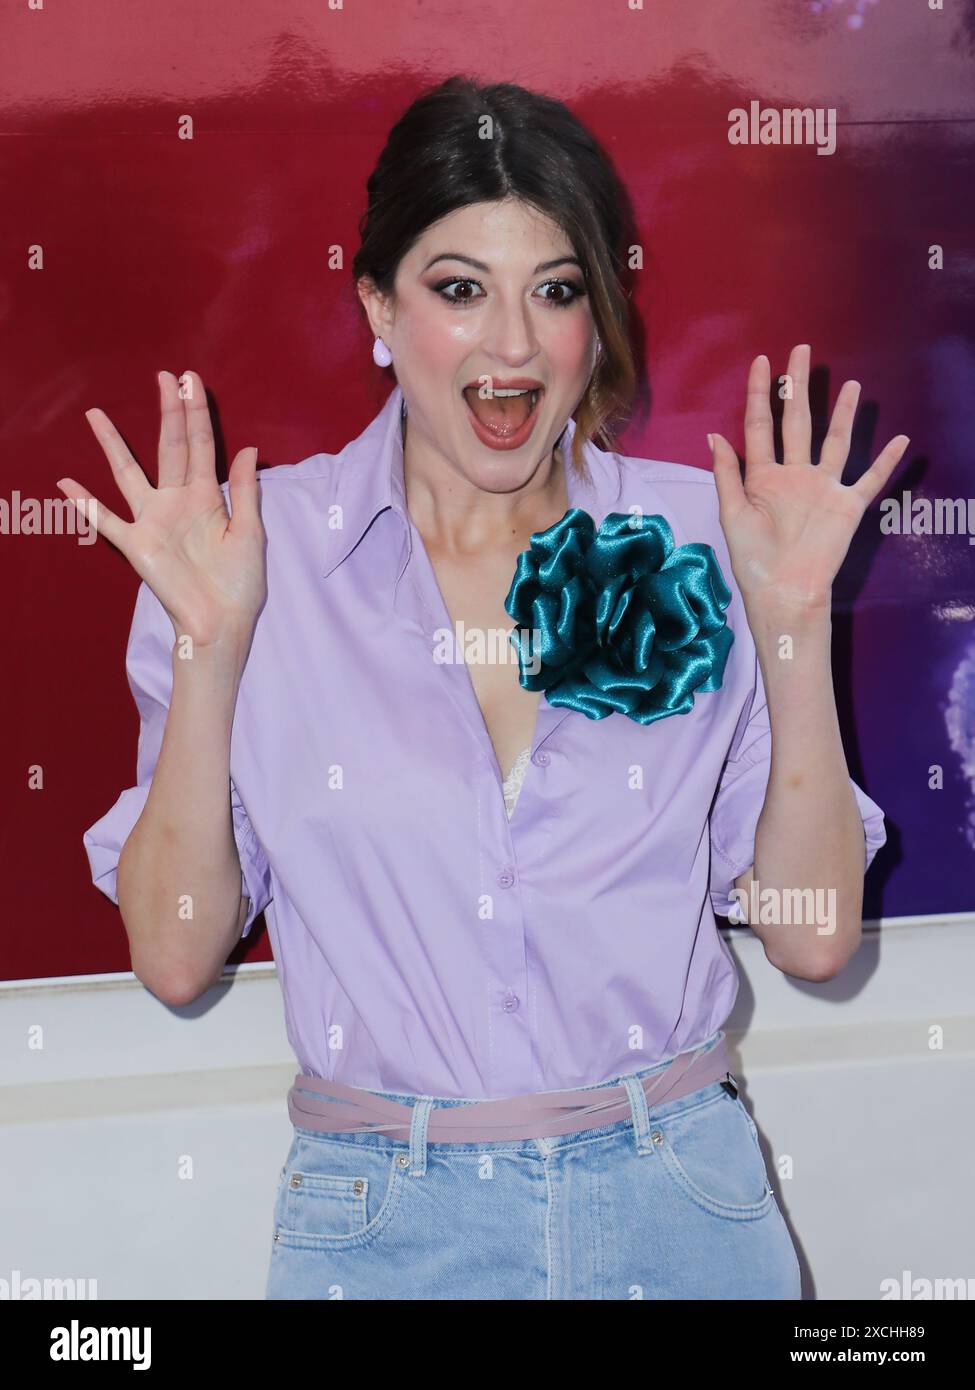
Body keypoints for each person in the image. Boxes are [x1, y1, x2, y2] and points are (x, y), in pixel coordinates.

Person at [61, 76, 900, 1301]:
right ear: (376, 308)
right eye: (459, 289)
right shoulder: (251, 555)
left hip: (683, 1204)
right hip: (388, 1223)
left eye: (555, 292)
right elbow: (179, 957)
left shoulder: (710, 539)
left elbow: (816, 934)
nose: (513, 345)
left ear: (597, 317)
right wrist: (208, 645)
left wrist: (792, 625)